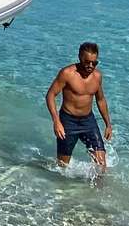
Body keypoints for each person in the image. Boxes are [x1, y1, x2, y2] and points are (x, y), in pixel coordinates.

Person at [46, 41, 113, 177]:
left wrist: (108, 124)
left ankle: (97, 195)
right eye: (87, 62)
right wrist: (56, 121)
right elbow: (50, 95)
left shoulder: (97, 77)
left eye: (94, 63)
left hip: (88, 121)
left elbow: (100, 99)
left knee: (101, 166)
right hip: (68, 122)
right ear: (80, 57)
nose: (90, 66)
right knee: (62, 168)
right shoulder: (67, 74)